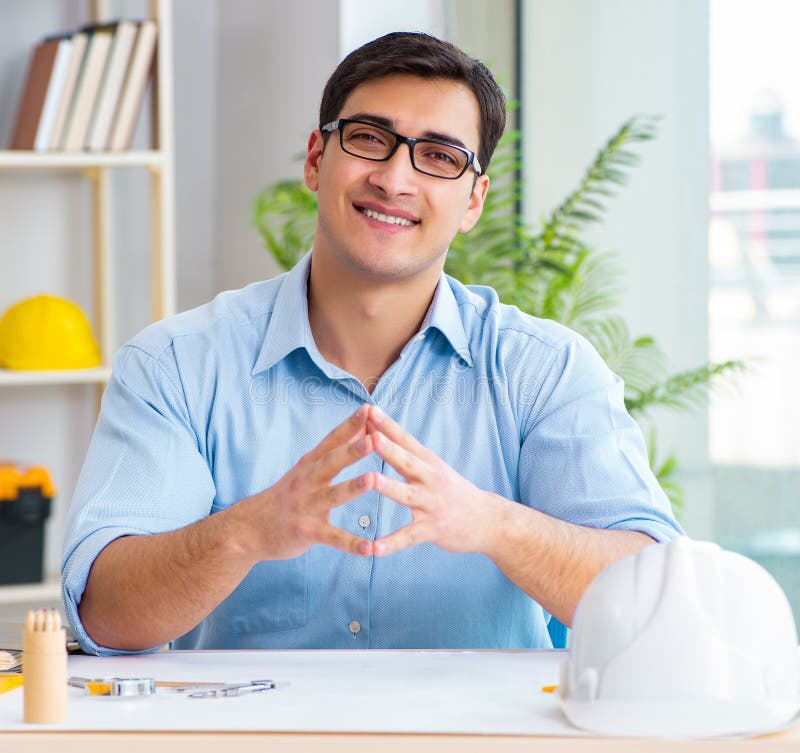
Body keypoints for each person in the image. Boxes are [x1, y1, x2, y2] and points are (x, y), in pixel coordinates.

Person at [62, 31, 682, 655]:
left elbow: (654, 601)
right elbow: (106, 616)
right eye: (368, 139)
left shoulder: (545, 370)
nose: (393, 178)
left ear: (473, 201)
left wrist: (493, 523)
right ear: (315, 160)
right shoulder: (175, 365)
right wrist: (246, 532)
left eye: (439, 156)